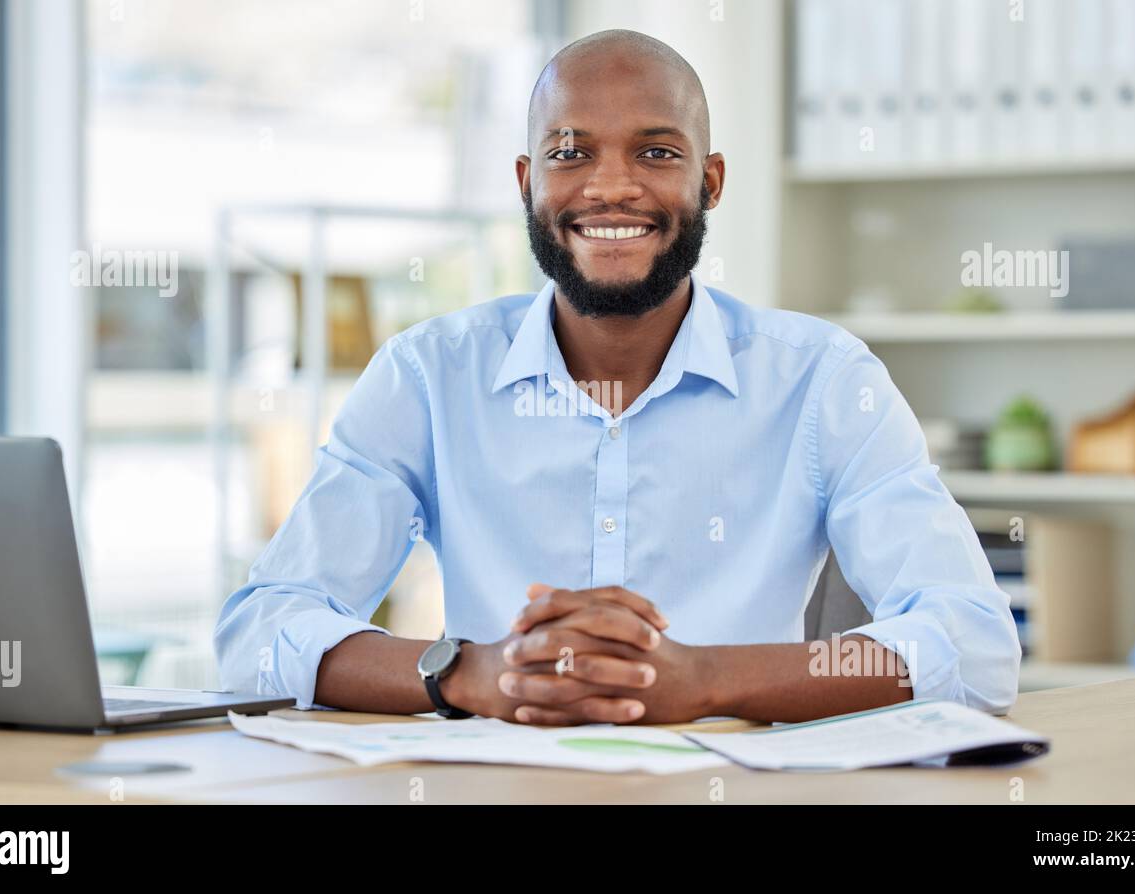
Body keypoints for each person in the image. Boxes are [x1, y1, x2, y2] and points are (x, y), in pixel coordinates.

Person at [215, 29, 1021, 725]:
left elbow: (975, 644)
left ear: (709, 182)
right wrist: (475, 676)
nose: (610, 186)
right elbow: (260, 636)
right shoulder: (428, 375)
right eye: (572, 153)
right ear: (528, 181)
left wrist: (705, 680)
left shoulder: (822, 379)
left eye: (656, 151)